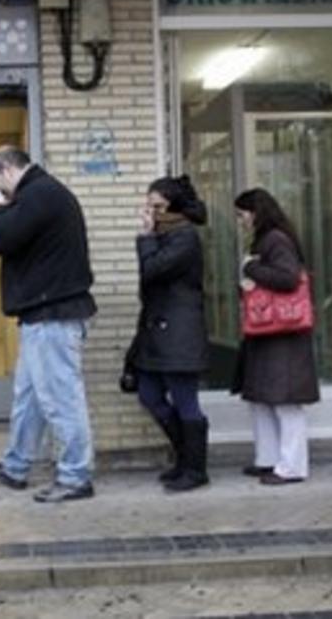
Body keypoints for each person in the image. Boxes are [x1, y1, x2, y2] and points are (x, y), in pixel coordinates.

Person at [0, 146, 97, 503]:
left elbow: (0, 239)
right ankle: (16, 466)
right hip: (44, 316)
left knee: (61, 400)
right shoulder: (43, 193)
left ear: (6, 170)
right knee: (29, 398)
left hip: (53, 317)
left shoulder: (37, 195)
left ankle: (76, 476)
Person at [233, 189, 321, 486]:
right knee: (263, 399)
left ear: (255, 212)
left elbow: (288, 278)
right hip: (269, 331)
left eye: (242, 214)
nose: (241, 221)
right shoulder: (269, 238)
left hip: (283, 332)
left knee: (285, 401)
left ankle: (292, 467)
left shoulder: (275, 239)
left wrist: (251, 268)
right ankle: (268, 459)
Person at [130, 176, 211, 492]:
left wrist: (145, 236)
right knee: (149, 395)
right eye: (148, 205)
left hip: (180, 332)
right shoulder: (166, 234)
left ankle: (195, 468)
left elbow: (152, 270)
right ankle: (184, 457)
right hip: (156, 330)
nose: (150, 212)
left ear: (174, 206)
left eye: (158, 206)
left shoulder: (185, 236)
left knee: (185, 400)